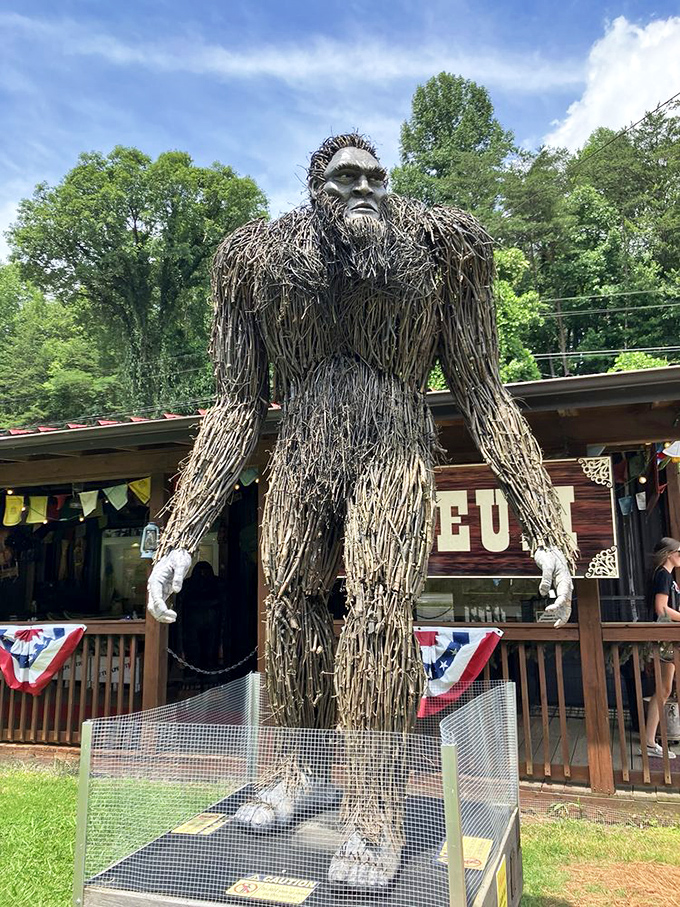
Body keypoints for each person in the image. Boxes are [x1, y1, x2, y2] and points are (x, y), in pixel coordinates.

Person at [147, 133, 576, 887]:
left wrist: (543, 524)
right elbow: (238, 404)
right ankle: (291, 770)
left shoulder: (442, 248)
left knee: (380, 612)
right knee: (287, 607)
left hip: (395, 445)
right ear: (316, 185)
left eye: (377, 177)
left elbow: (482, 390)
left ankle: (374, 813)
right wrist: (182, 533)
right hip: (301, 450)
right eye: (347, 178)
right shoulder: (256, 260)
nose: (366, 189)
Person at [644, 537, 680, 759]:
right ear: (668, 554)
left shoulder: (664, 576)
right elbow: (661, 608)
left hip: (667, 638)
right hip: (666, 639)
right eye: (679, 552)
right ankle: (649, 742)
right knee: (664, 689)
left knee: (664, 690)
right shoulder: (663, 575)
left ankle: (650, 742)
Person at [177, 561, 222, 675]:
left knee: (210, 649)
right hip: (193, 623)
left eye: (205, 572)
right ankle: (193, 673)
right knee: (194, 650)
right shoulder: (187, 585)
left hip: (210, 622)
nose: (203, 575)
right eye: (200, 572)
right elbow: (180, 607)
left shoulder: (217, 584)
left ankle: (208, 673)